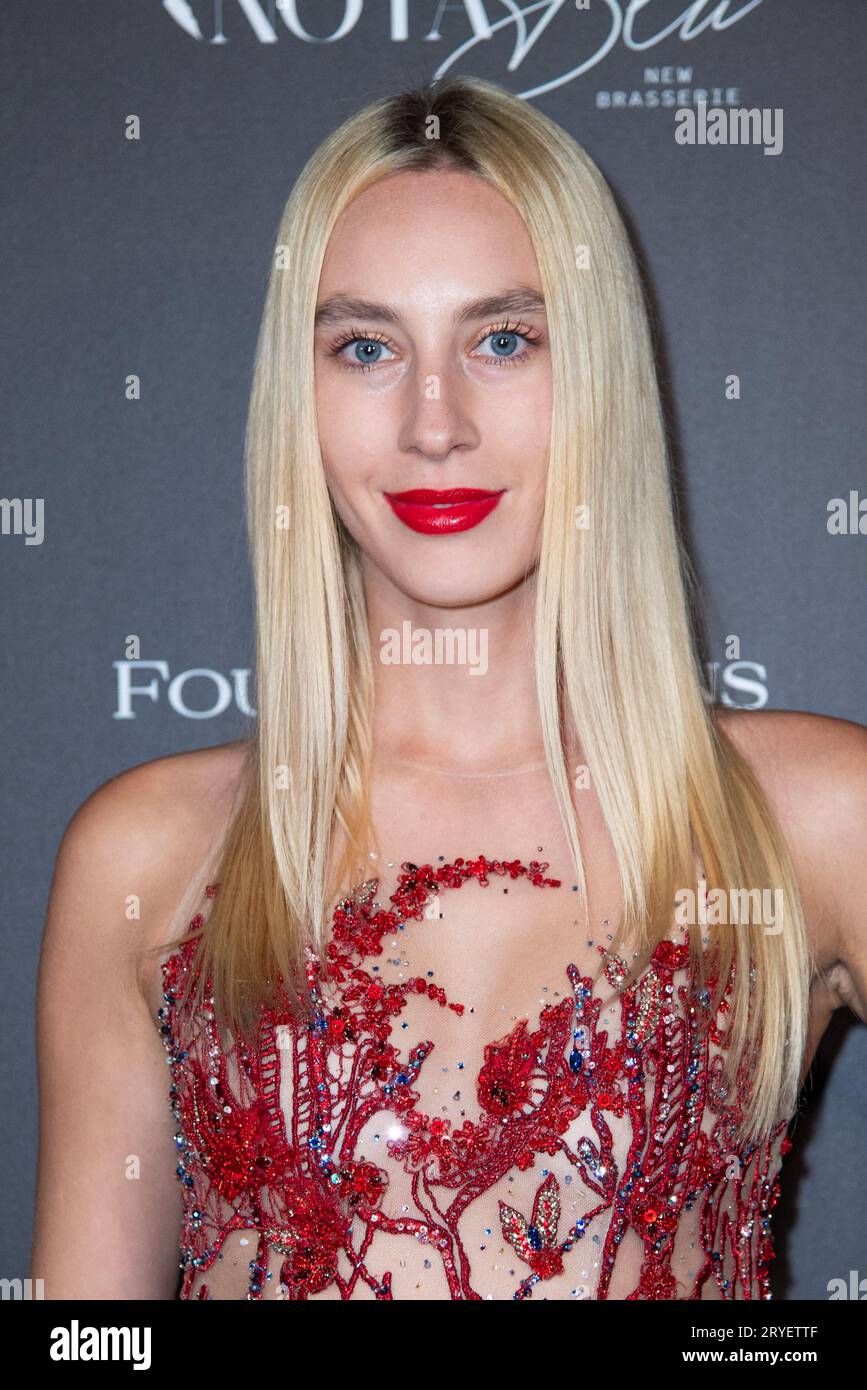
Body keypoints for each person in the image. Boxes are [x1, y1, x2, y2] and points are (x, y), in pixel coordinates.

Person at [30, 76, 866, 1301]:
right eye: (366, 347)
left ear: (599, 377)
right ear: (296, 396)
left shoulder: (817, 819)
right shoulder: (150, 853)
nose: (436, 422)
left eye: (505, 340)